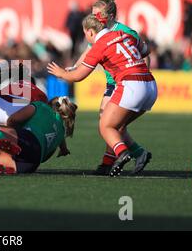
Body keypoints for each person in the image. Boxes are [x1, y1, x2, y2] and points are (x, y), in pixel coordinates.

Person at [48, 14, 157, 177]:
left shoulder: (98, 46)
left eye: (85, 34)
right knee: (118, 127)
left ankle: (121, 154)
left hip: (131, 85)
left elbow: (78, 77)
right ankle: (137, 154)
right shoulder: (123, 34)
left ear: (90, 32)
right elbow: (145, 51)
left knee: (105, 126)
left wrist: (61, 73)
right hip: (150, 85)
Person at [71, 0, 152, 175]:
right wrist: (73, 67)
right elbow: (89, 52)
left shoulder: (125, 31)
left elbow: (144, 54)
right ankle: (137, 154)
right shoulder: (99, 32)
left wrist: (142, 75)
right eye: (92, 14)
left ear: (111, 17)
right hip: (113, 83)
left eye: (97, 15)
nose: (93, 18)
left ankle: (111, 162)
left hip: (127, 82)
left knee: (109, 125)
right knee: (109, 124)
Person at [0, 96, 77, 175]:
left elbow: (12, 120)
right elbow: (45, 157)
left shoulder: (41, 106)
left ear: (51, 103)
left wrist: (5, 129)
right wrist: (64, 149)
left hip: (27, 138)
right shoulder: (61, 132)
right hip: (31, 163)